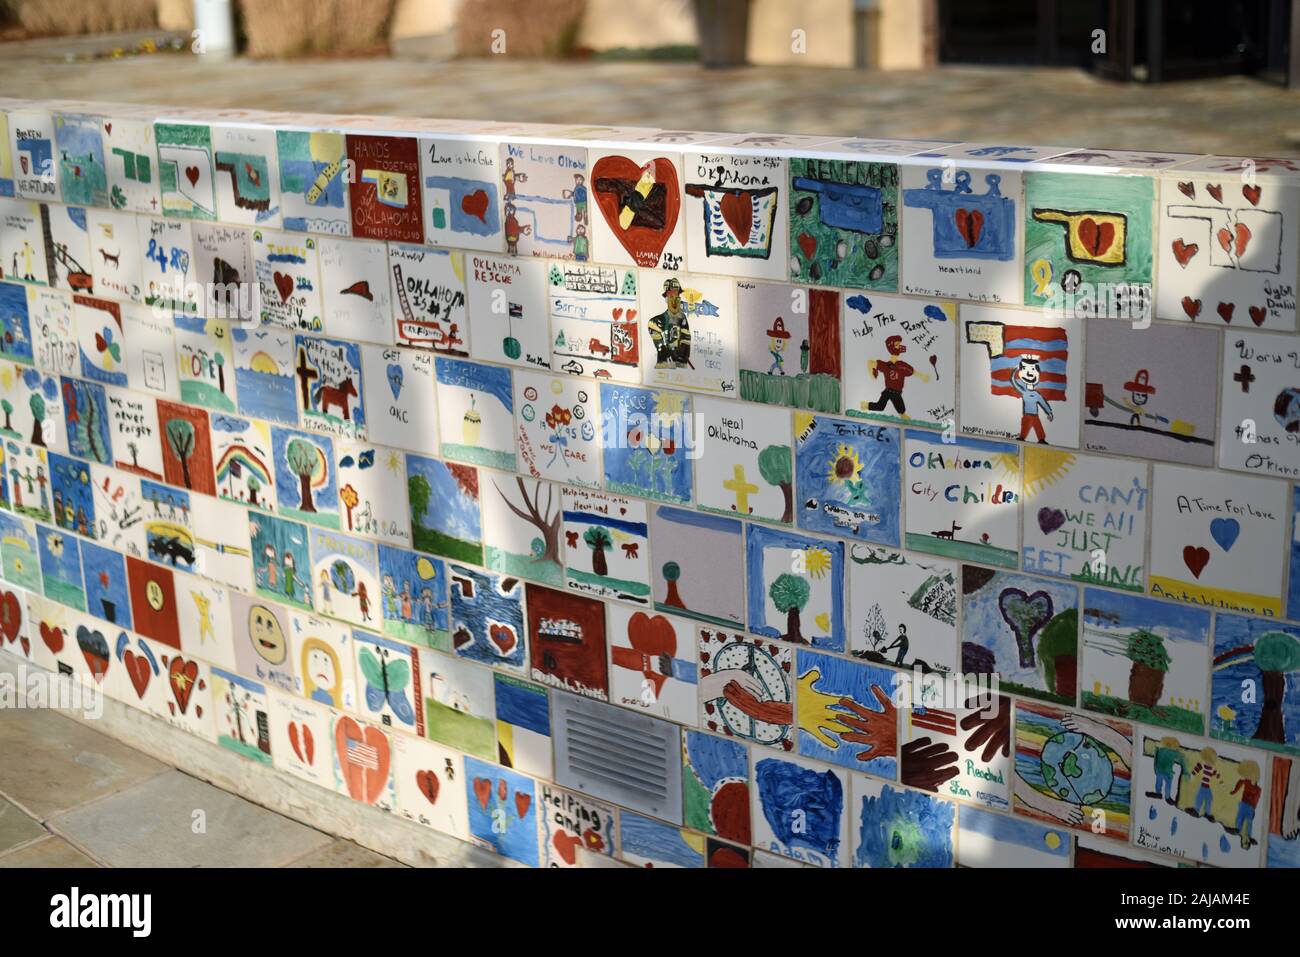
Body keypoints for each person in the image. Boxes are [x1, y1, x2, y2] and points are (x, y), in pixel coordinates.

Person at [866, 335, 925, 416]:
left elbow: (912, 371)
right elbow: (870, 362)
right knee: (880, 406)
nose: (900, 347)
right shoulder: (886, 366)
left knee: (902, 410)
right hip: (888, 391)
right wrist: (872, 374)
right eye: (897, 345)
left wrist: (922, 376)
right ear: (892, 346)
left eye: (899, 344)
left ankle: (905, 419)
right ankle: (863, 405)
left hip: (897, 393)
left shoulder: (901, 365)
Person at [1011, 356, 1053, 444]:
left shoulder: (1037, 394)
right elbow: (1014, 382)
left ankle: (1041, 440)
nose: (1029, 373)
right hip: (1027, 415)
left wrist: (1049, 412)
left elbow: (1043, 403)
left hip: (1035, 415)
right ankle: (1022, 437)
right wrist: (1015, 371)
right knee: (1025, 427)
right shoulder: (1024, 391)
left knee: (1038, 427)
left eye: (1033, 369)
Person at [1229, 760, 1261, 849]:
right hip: (1247, 806)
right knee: (1244, 819)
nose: (1245, 841)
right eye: (1247, 843)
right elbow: (1240, 782)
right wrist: (1234, 791)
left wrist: (1253, 807)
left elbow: (1256, 799)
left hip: (1247, 806)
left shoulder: (1237, 829)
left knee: (1240, 819)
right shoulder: (1248, 782)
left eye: (1244, 842)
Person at [1189, 746, 1222, 820]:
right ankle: (1196, 810)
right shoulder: (1203, 764)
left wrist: (1220, 780)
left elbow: (1216, 774)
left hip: (1207, 787)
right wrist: (1192, 774)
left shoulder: (1212, 768)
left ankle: (1207, 813)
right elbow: (1197, 768)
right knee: (1199, 797)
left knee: (1209, 799)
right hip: (1203, 786)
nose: (1208, 762)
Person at [1148, 735, 1183, 803]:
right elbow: (1180, 757)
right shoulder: (1173, 752)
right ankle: (1167, 797)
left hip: (1159, 770)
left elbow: (1156, 756)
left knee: (1158, 782)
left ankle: (1158, 793)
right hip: (1167, 772)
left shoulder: (1161, 749)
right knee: (1168, 785)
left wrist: (1155, 769)